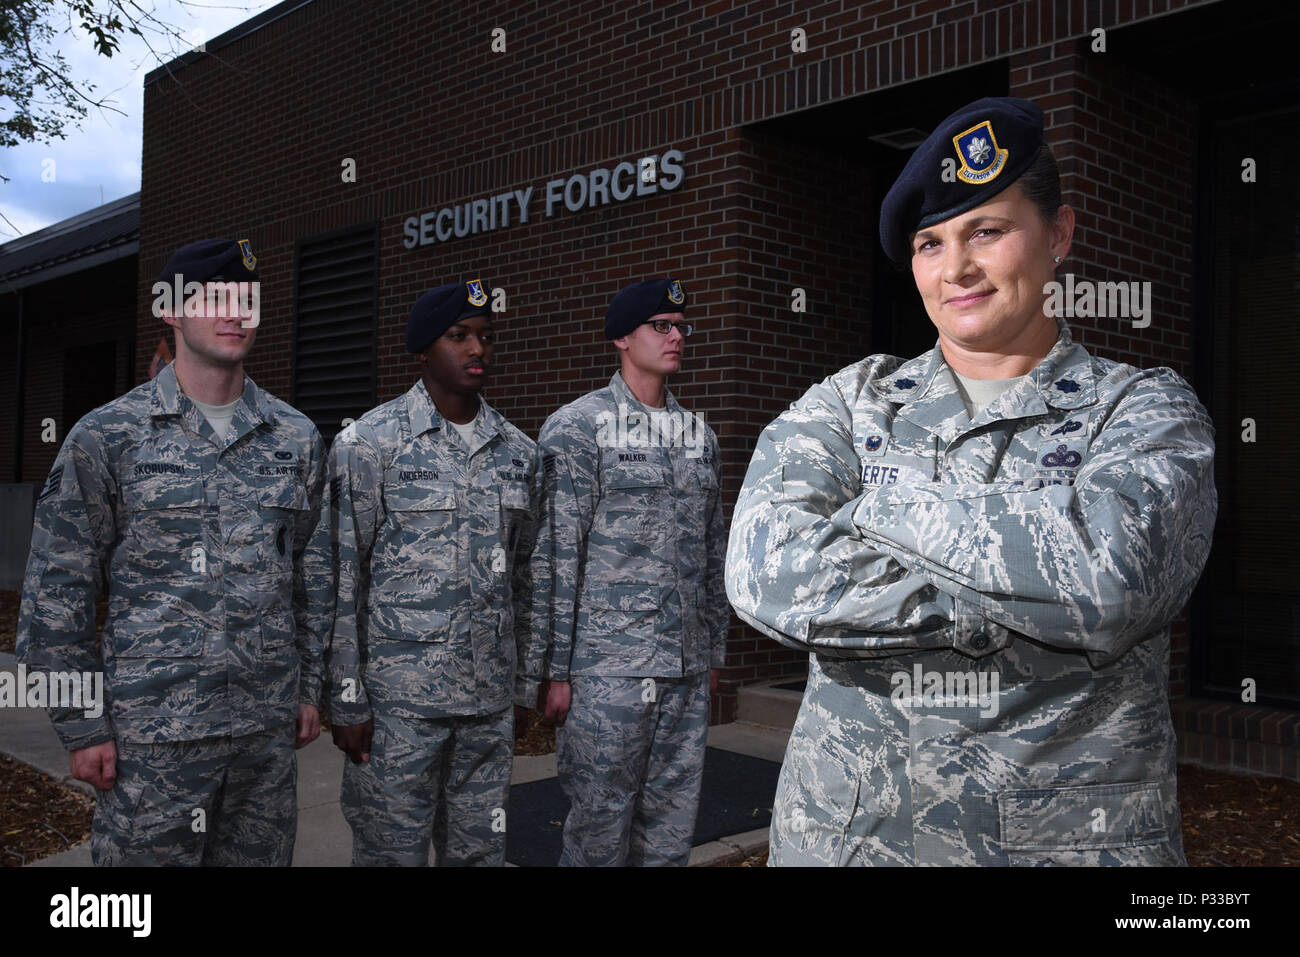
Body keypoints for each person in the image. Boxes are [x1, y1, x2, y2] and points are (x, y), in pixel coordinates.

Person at [725, 97, 1218, 866]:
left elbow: (1112, 580)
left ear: (1058, 234)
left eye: (986, 230)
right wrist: (1017, 597)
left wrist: (875, 510)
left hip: (1057, 846)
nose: (955, 268)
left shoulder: (1143, 408)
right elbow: (765, 570)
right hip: (852, 839)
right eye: (930, 243)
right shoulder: (851, 400)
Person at [17, 238, 331, 866]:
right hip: (151, 744)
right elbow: (57, 593)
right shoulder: (108, 436)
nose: (235, 311)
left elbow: (311, 578)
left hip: (261, 739)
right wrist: (82, 725)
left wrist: (310, 689)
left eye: (247, 297)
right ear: (171, 310)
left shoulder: (295, 437)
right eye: (214, 297)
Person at [327, 280, 541, 867]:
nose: (477, 350)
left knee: (480, 855)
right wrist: (346, 700)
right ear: (423, 349)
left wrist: (523, 686)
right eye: (458, 336)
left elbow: (525, 580)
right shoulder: (370, 444)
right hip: (398, 708)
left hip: (487, 704)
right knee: (389, 855)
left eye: (486, 338)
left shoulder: (518, 453)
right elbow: (342, 576)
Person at [534, 277, 728, 867]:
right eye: (660, 326)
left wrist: (714, 653)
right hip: (607, 671)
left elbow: (712, 551)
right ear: (622, 336)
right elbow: (556, 554)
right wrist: (554, 670)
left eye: (681, 326)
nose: (676, 337)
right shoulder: (577, 429)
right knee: (598, 829)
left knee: (671, 829)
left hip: (686, 667)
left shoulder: (699, 436)